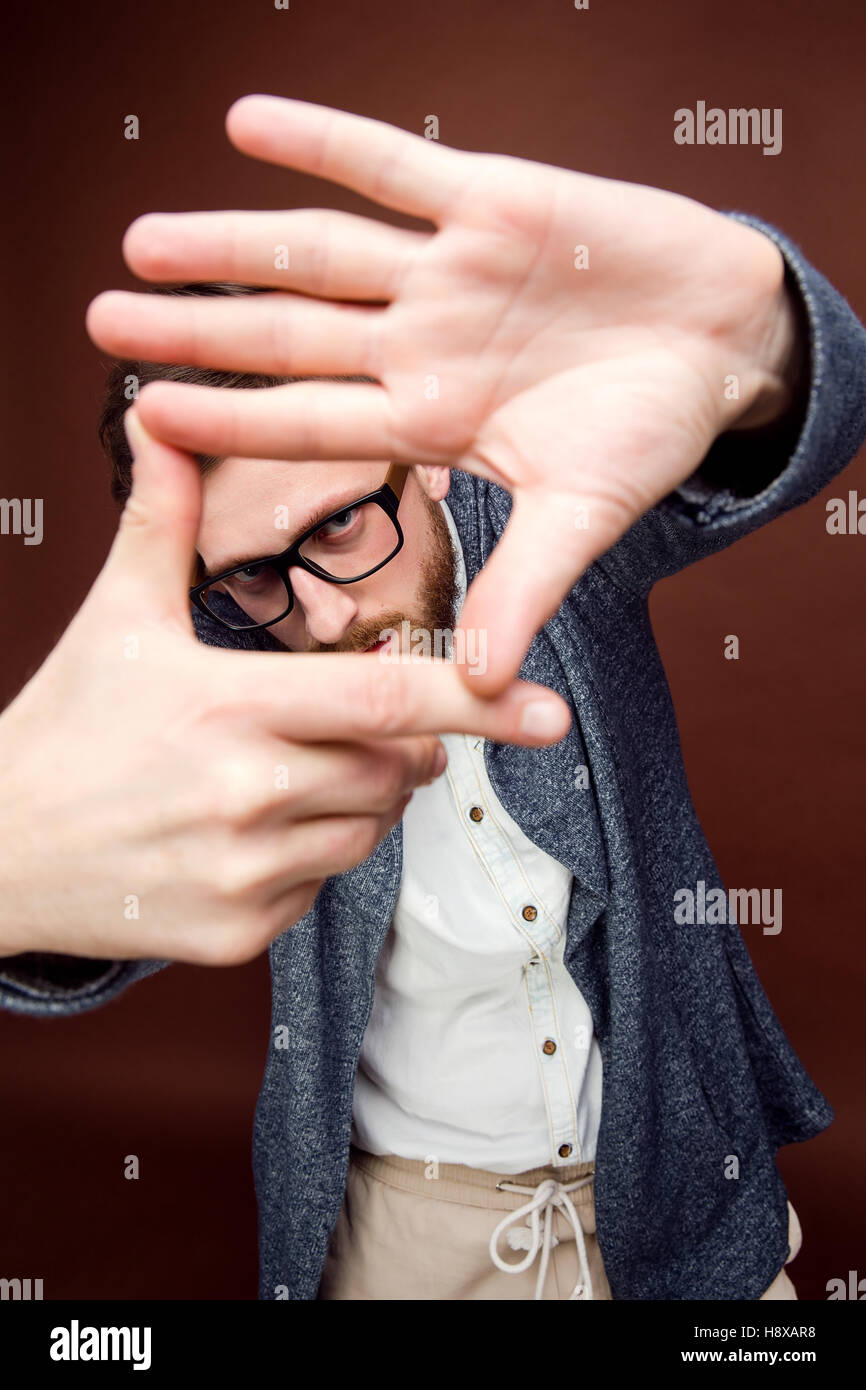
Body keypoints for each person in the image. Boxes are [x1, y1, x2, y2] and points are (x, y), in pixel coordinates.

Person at [3, 94, 865, 1300]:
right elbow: (100, 884)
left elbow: (787, 442)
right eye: (255, 570)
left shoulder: (550, 518)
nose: (320, 613)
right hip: (400, 1229)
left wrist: (762, 339)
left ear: (427, 452)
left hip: (678, 1197)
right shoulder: (224, 649)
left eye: (341, 523)